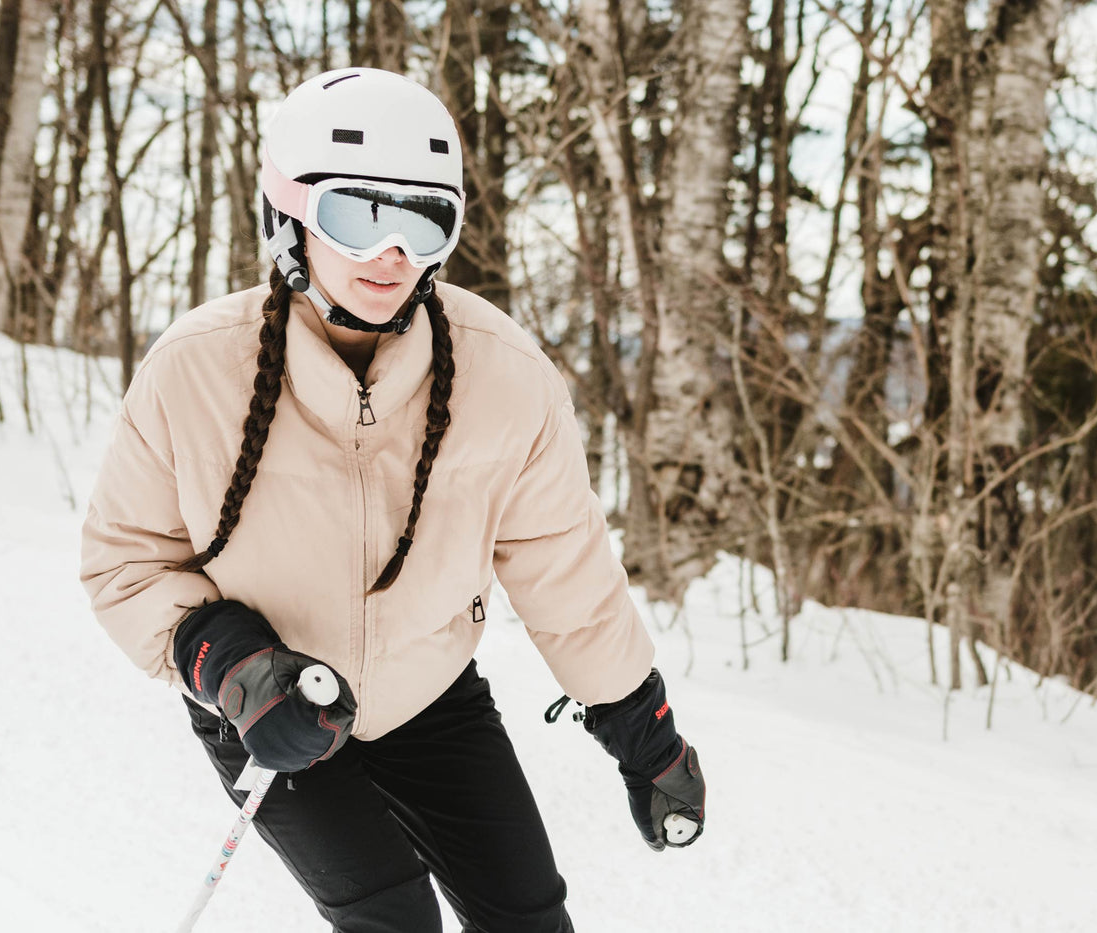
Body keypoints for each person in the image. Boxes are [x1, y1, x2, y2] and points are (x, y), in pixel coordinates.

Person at [79, 67, 706, 933]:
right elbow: (126, 563)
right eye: (359, 216)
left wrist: (646, 733)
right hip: (272, 707)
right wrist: (228, 662)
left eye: (425, 221)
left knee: (531, 920)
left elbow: (567, 573)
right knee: (395, 920)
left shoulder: (503, 375)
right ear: (289, 216)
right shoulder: (196, 370)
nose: (393, 255)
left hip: (428, 695)